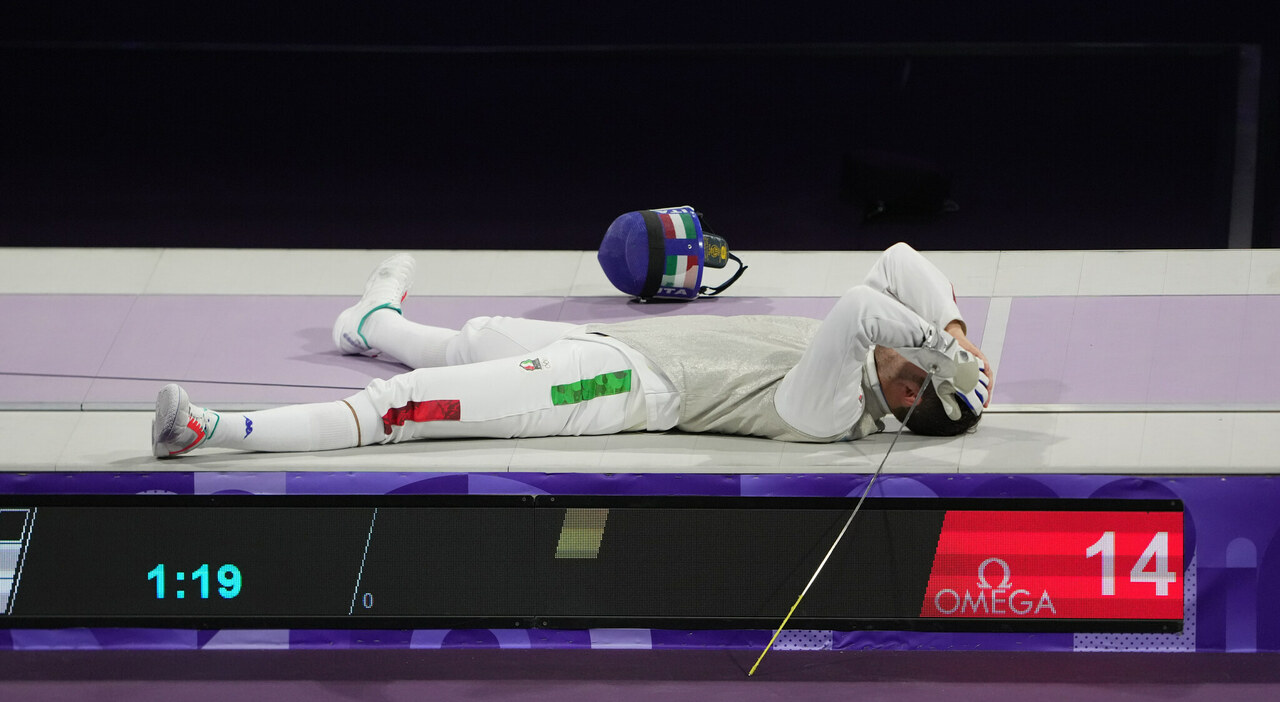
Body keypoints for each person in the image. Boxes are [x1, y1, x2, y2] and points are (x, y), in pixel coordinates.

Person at [152, 243, 992, 458]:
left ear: (912, 399)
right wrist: (954, 337)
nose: (914, 358)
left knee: (405, 410)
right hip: (625, 342)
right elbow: (901, 263)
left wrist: (931, 345)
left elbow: (860, 303)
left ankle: (213, 431)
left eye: (923, 374)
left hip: (610, 386)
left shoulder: (832, 411)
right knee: (469, 341)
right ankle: (367, 323)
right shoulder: (876, 369)